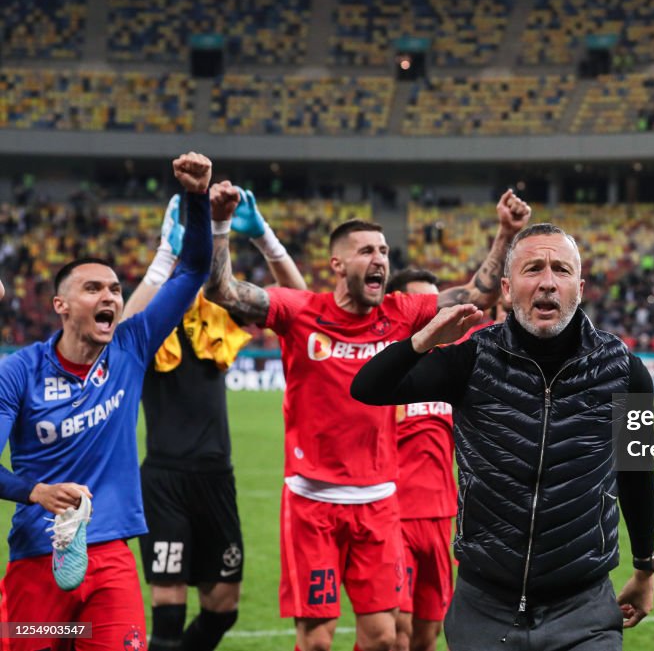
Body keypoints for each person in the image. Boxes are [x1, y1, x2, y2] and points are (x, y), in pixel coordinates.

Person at [203, 190, 531, 651]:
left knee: (381, 640)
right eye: (367, 251)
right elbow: (223, 291)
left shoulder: (400, 313)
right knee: (316, 642)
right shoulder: (301, 313)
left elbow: (473, 294)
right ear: (337, 264)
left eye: (383, 251)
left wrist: (506, 233)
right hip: (312, 501)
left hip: (378, 503)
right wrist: (219, 224)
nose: (379, 258)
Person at [351, 222, 654, 651]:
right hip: (484, 605)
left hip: (584, 606)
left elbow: (638, 475)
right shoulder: (472, 359)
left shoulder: (625, 371)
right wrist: (422, 340)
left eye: (561, 271)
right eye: (533, 269)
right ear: (508, 289)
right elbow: (367, 388)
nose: (548, 282)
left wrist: (644, 568)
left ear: (580, 287)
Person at [0, 152, 214, 651]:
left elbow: (194, 268)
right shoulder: (18, 372)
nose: (111, 297)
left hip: (113, 557)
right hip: (38, 556)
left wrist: (196, 198)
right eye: (93, 288)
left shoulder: (131, 346)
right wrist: (35, 493)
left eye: (116, 289)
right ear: (61, 306)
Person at [123, 186, 306, 651]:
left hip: (217, 478)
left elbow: (302, 306)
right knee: (166, 612)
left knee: (224, 608)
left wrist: (266, 238)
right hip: (165, 479)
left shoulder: (216, 315)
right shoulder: (146, 329)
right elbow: (122, 330)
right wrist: (164, 255)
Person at [384, 268, 456, 651]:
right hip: (392, 517)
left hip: (441, 520)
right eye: (421, 305)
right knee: (396, 634)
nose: (431, 314)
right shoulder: (380, 376)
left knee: (428, 637)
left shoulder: (449, 370)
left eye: (436, 304)